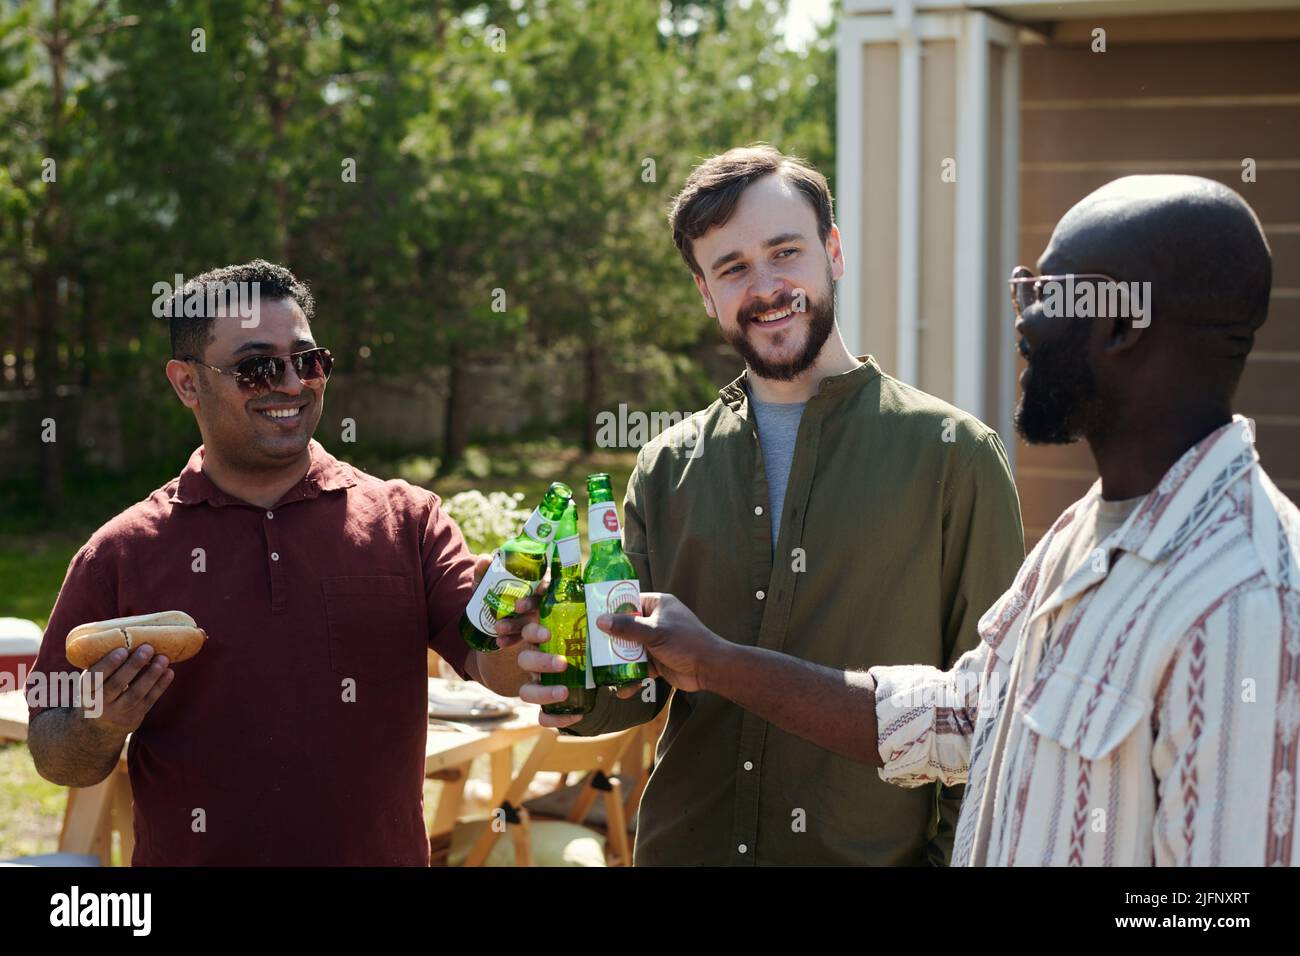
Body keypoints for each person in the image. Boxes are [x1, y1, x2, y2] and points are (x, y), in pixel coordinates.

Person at [542, 175, 1300, 865]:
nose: (1023, 317)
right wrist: (688, 662)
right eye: (733, 266)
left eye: (1042, 290)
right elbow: (960, 718)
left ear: (1120, 326)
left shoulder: (1247, 596)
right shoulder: (1081, 540)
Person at [505, 145, 1026, 865]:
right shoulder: (665, 465)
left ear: (833, 251)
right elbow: (632, 692)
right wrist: (566, 672)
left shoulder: (954, 455)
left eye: (786, 252)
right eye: (733, 268)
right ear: (705, 292)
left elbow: (994, 714)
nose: (767, 286)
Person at [25, 259, 528, 865]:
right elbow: (55, 756)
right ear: (188, 384)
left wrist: (509, 623)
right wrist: (99, 723)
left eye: (308, 361)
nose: (291, 383)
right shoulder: (121, 551)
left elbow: (494, 670)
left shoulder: (408, 520)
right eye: (257, 367)